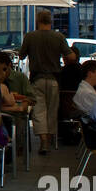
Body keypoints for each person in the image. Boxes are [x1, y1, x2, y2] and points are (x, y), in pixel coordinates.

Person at [19, 9, 70, 156]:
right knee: (52, 111)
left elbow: (21, 56)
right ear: (50, 21)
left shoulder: (30, 36)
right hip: (54, 79)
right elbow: (71, 56)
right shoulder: (59, 37)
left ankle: (43, 141)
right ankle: (50, 139)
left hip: (37, 78)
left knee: (39, 111)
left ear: (37, 21)